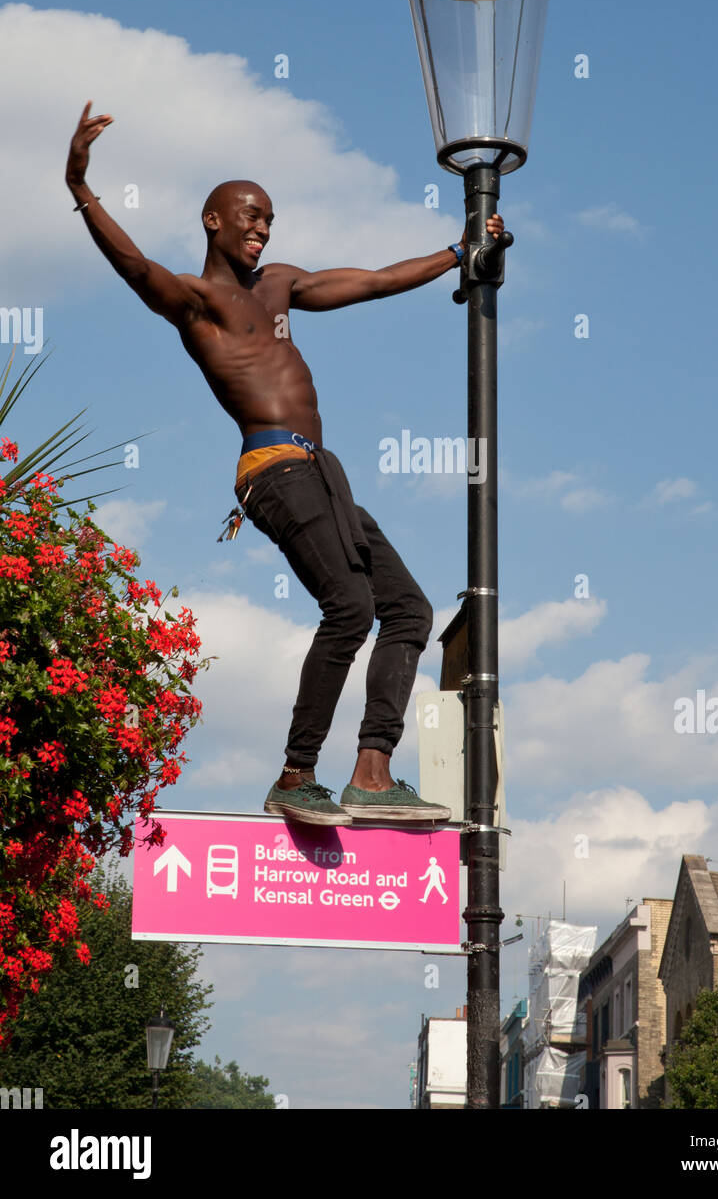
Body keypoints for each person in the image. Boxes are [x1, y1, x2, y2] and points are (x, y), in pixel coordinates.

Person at [65, 101, 505, 826]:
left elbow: (373, 281)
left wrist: (458, 254)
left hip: (324, 473)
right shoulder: (198, 300)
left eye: (270, 218)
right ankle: (296, 774)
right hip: (272, 468)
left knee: (408, 610)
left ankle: (371, 769)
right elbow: (135, 267)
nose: (263, 228)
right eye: (251, 215)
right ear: (214, 221)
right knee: (351, 607)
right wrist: (82, 186)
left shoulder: (280, 286)